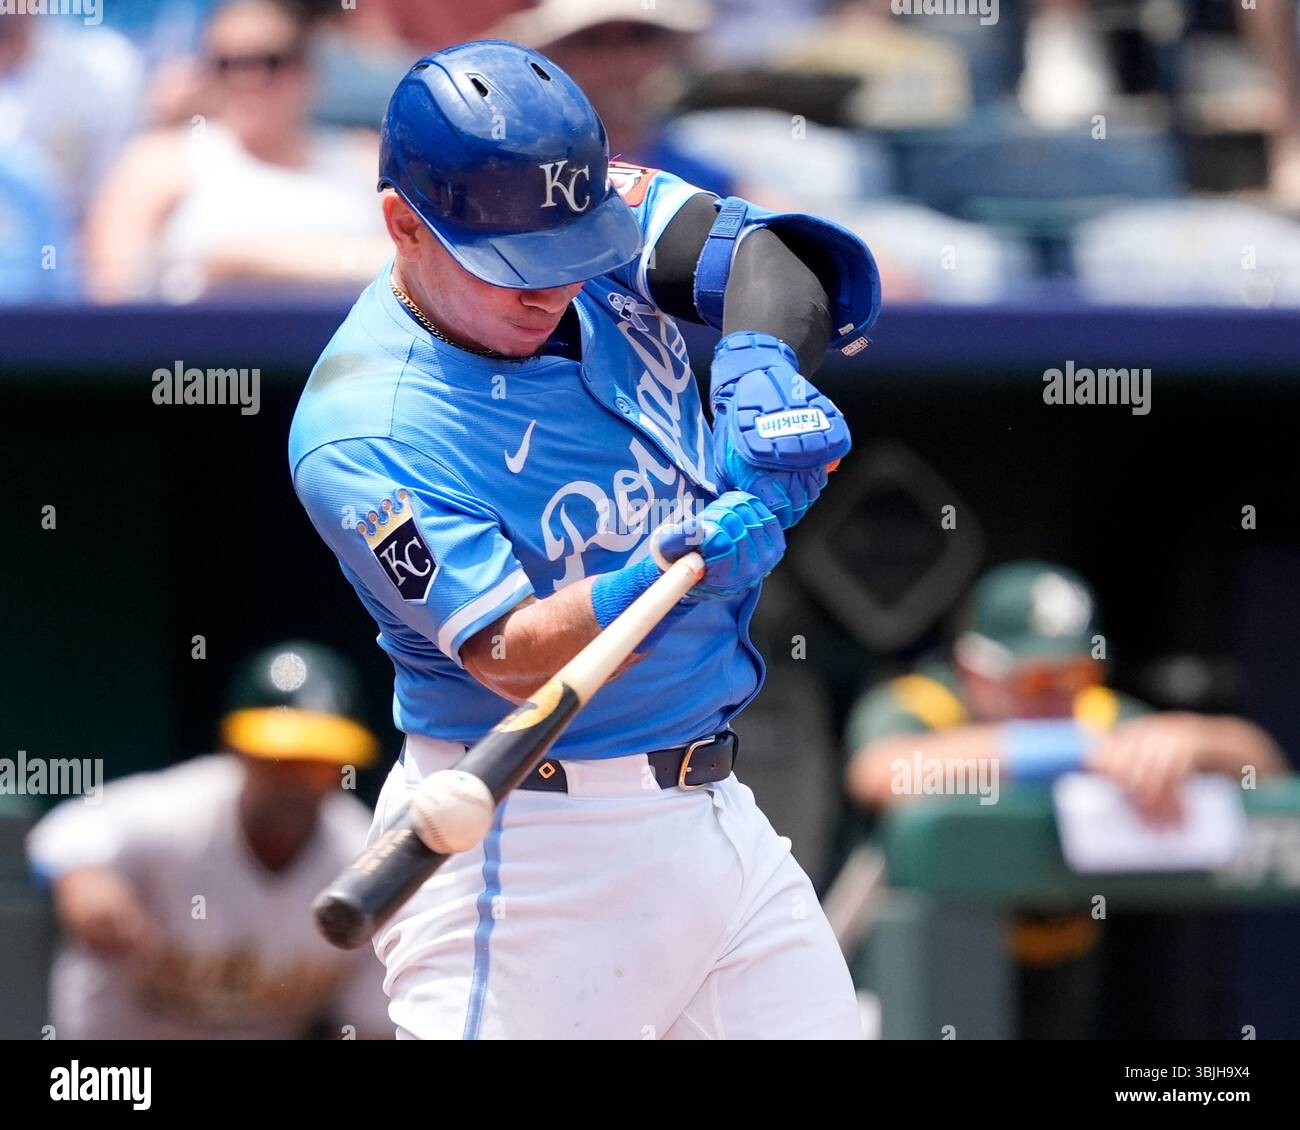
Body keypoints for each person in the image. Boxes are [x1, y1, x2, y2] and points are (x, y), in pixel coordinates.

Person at [289, 40, 881, 1039]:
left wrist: (758, 362)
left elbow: (772, 257)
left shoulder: (572, 202)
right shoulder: (364, 430)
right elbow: (507, 656)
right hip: (527, 847)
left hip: (714, 813)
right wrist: (658, 573)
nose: (551, 288)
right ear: (403, 224)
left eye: (570, 254)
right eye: (511, 266)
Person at [843, 560, 1285, 1038]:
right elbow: (879, 773)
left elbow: (1262, 766)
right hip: (914, 974)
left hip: (1058, 977)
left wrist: (1192, 739)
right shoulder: (926, 703)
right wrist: (1068, 748)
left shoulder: (1093, 714)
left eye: (1076, 675)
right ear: (975, 671)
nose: (1057, 698)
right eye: (1035, 680)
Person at [27, 642, 391, 1040]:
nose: (297, 779)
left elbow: (371, 1025)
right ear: (233, 750)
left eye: (317, 761)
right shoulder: (177, 810)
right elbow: (70, 830)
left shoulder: (364, 861)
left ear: (344, 767)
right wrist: (83, 878)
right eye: (280, 757)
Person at [85, 0, 389, 302]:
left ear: (308, 70)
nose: (248, 79)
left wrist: (246, 260)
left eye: (271, 62)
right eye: (227, 64)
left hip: (353, 345)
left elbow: (421, 261)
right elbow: (114, 291)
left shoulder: (365, 159)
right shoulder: (161, 161)